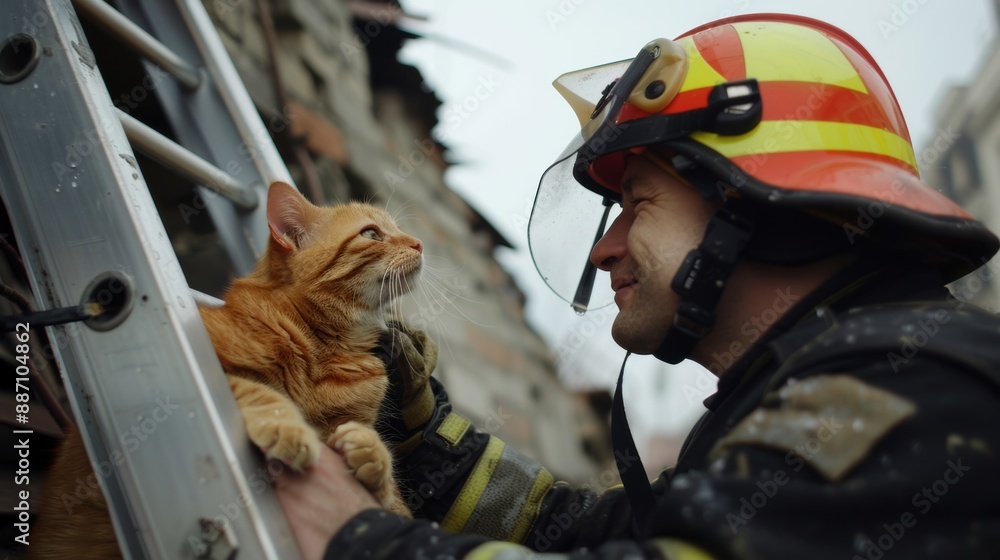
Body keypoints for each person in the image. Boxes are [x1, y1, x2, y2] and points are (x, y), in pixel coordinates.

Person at [275, 13, 1000, 559]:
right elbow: (595, 532)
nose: (603, 250)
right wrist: (430, 446)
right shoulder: (821, 384)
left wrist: (359, 540)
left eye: (639, 204)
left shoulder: (914, 387)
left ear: (754, 204)